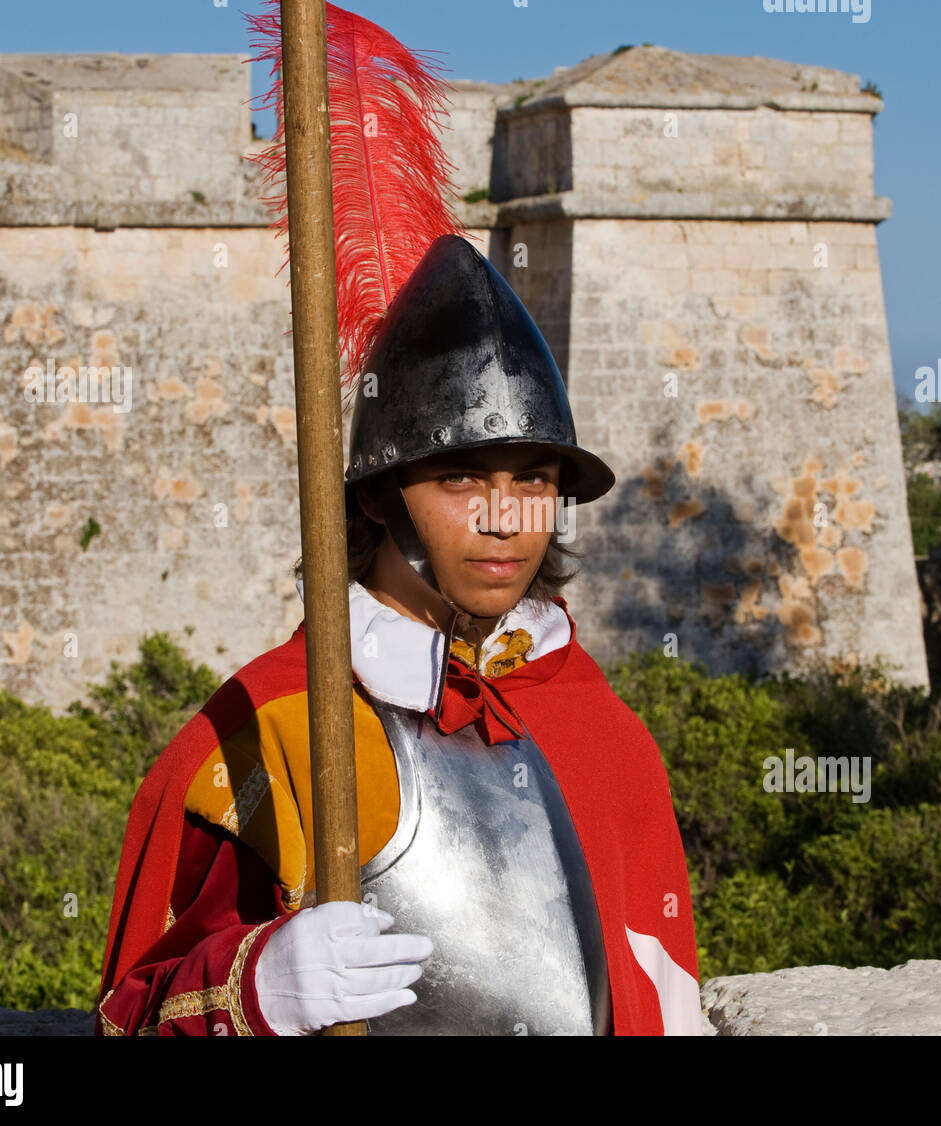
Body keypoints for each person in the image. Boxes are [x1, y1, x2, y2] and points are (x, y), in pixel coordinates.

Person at [95, 235, 703, 1036]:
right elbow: (129, 1017)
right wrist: (252, 989)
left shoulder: (604, 732)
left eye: (532, 477)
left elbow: (663, 1002)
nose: (504, 518)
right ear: (379, 499)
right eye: (459, 477)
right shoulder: (268, 726)